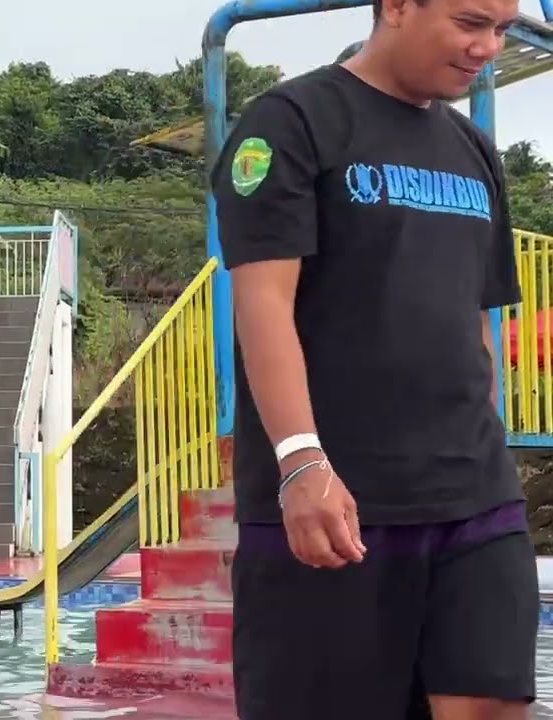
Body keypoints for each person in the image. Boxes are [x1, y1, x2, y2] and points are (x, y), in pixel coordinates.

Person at [215, 1, 536, 719]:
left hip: (475, 500)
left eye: (501, 30)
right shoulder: (292, 122)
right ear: (396, 6)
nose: (487, 46)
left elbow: (475, 319)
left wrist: (485, 447)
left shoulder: (472, 149)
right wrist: (301, 464)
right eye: (470, 21)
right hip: (337, 505)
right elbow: (263, 306)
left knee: (492, 705)